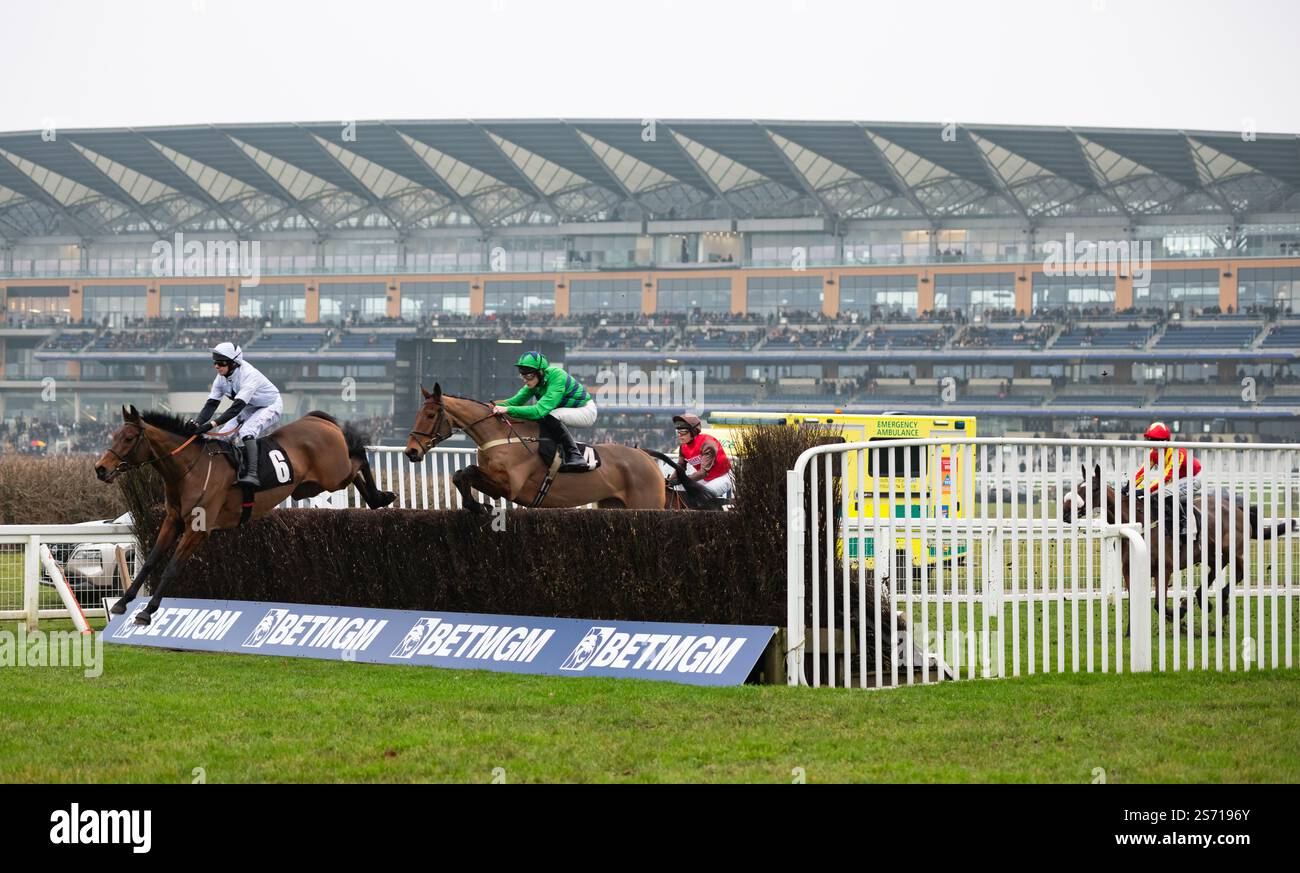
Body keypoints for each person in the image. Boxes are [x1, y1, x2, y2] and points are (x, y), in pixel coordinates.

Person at [189, 342, 283, 487]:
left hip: (270, 404)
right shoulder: (220, 378)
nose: (216, 366)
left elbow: (236, 407)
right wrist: (197, 423)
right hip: (250, 406)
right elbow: (211, 404)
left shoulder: (250, 375)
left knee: (246, 431)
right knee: (223, 435)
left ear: (234, 363)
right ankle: (227, 471)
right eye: (215, 362)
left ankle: (253, 475)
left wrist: (210, 425)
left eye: (220, 363)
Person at [492, 351, 596, 473]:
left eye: (529, 376)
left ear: (540, 372)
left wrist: (507, 410)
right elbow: (514, 402)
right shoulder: (535, 382)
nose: (525, 380)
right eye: (522, 375)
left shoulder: (557, 376)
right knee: (544, 418)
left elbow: (539, 411)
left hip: (585, 410)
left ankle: (576, 456)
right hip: (564, 410)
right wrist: (489, 407)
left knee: (549, 415)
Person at [1132, 421, 1201, 536]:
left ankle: (1183, 522)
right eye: (1149, 440)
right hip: (1178, 481)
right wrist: (1130, 485)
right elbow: (1142, 472)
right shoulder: (1154, 453)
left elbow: (1166, 476)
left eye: (1153, 440)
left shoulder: (1177, 452)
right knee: (1155, 495)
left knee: (1164, 493)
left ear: (1163, 441)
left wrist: (1144, 489)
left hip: (1193, 478)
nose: (1151, 444)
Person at [665, 413, 734, 500]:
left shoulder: (708, 444)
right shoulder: (683, 447)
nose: (679, 435)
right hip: (705, 478)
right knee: (679, 491)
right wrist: (670, 480)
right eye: (678, 432)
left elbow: (703, 472)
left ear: (693, 431)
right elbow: (680, 467)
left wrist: (682, 480)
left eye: (683, 432)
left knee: (702, 496)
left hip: (723, 477)